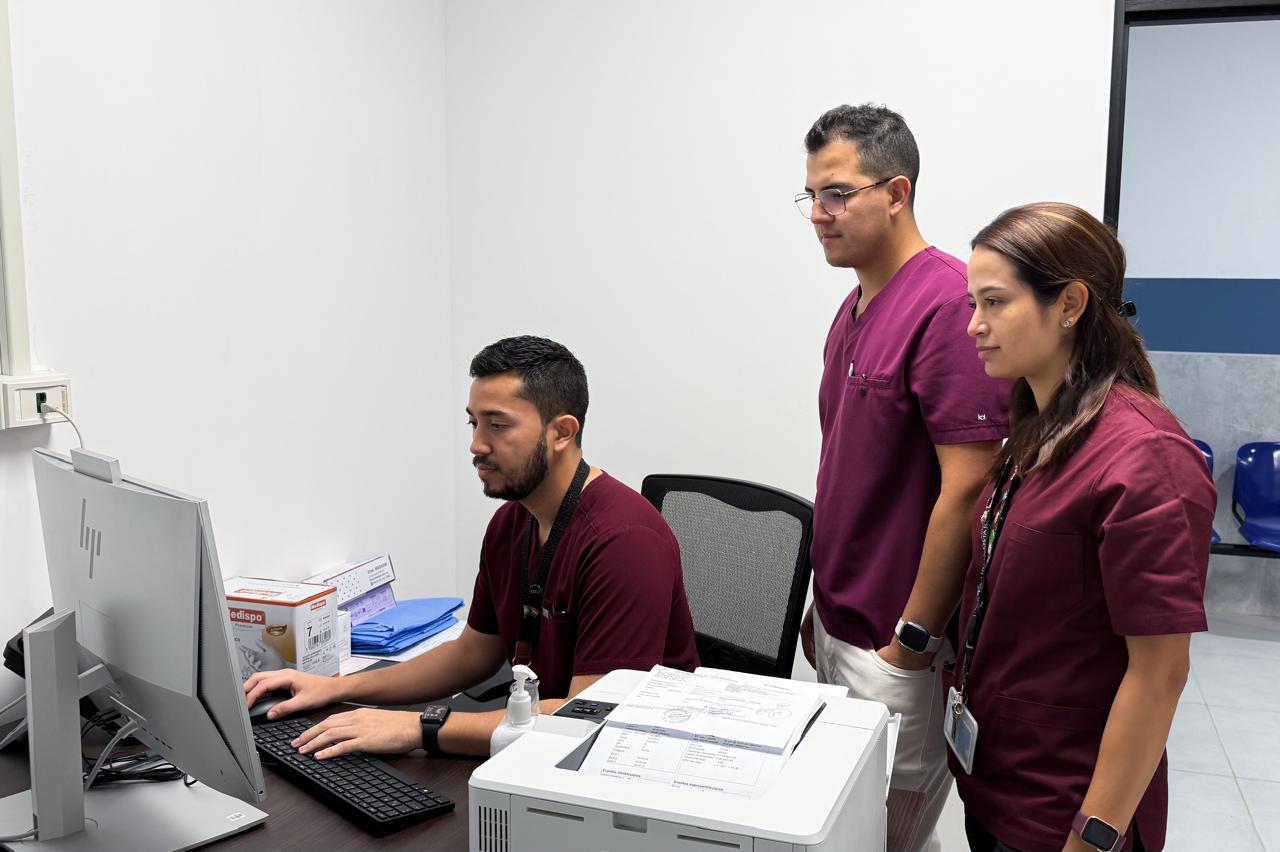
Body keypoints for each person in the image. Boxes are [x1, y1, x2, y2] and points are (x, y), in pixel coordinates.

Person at [244, 335, 699, 759]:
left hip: (627, 765)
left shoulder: (624, 542)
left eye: (497, 426)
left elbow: (590, 719)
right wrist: (336, 688)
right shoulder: (511, 521)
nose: (476, 445)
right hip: (537, 746)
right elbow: (474, 654)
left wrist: (420, 727)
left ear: (562, 432)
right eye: (474, 422)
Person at [952, 203, 1215, 852]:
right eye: (970, 304)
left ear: (1069, 304)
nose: (973, 327)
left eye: (993, 303)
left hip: (1064, 813)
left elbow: (1160, 676)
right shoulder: (1039, 421)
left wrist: (1091, 838)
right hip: (1000, 783)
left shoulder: (1144, 457)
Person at [795, 103, 1012, 852]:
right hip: (839, 622)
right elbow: (849, 468)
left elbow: (968, 492)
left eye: (838, 194)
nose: (819, 214)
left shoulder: (950, 306)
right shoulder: (854, 305)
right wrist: (818, 610)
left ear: (896, 192)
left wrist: (912, 644)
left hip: (897, 643)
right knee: (842, 825)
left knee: (888, 835)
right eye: (811, 196)